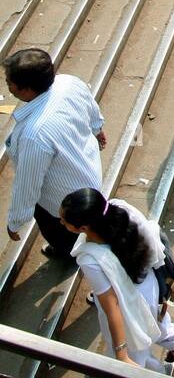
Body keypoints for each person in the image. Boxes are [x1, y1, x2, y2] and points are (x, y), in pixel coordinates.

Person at [60, 188, 174, 370]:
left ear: (83, 228)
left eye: (64, 221)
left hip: (130, 303)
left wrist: (121, 353)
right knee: (155, 322)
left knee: (137, 348)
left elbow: (112, 308)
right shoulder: (119, 208)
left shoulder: (91, 259)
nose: (61, 222)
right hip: (150, 284)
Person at [3, 48, 105, 261]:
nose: (8, 86)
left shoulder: (35, 136)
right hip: (89, 172)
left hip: (62, 198)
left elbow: (28, 184)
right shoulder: (69, 83)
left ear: (26, 89)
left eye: (9, 82)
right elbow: (91, 107)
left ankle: (68, 253)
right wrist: (97, 128)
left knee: (59, 232)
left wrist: (15, 222)